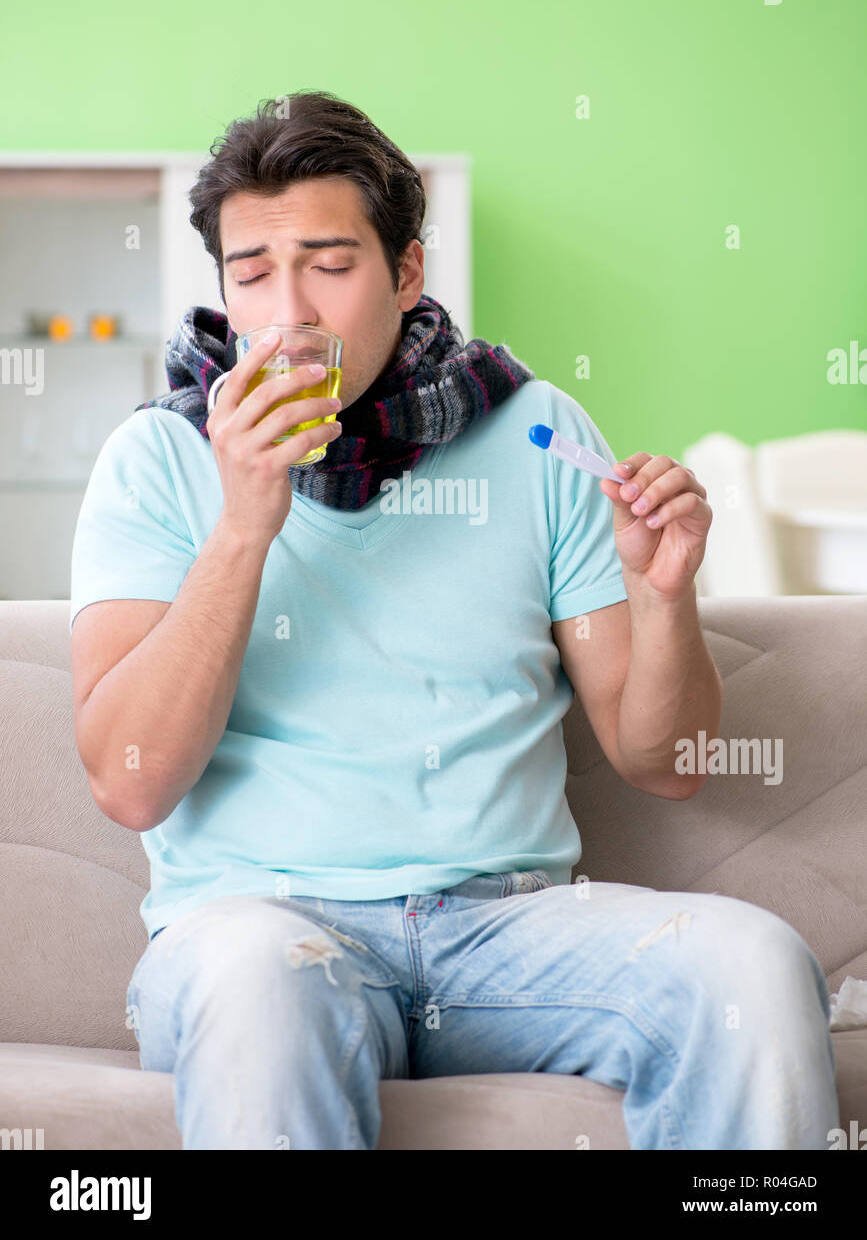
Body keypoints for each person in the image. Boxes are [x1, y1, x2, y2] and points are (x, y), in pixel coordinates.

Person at [69, 90, 838, 1150]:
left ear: (408, 270)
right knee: (258, 982)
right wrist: (245, 525)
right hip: (263, 926)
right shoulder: (157, 459)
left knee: (750, 962)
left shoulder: (536, 435)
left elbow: (667, 761)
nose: (288, 309)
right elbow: (129, 778)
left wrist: (665, 598)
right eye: (252, 274)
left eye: (330, 265)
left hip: (510, 927)